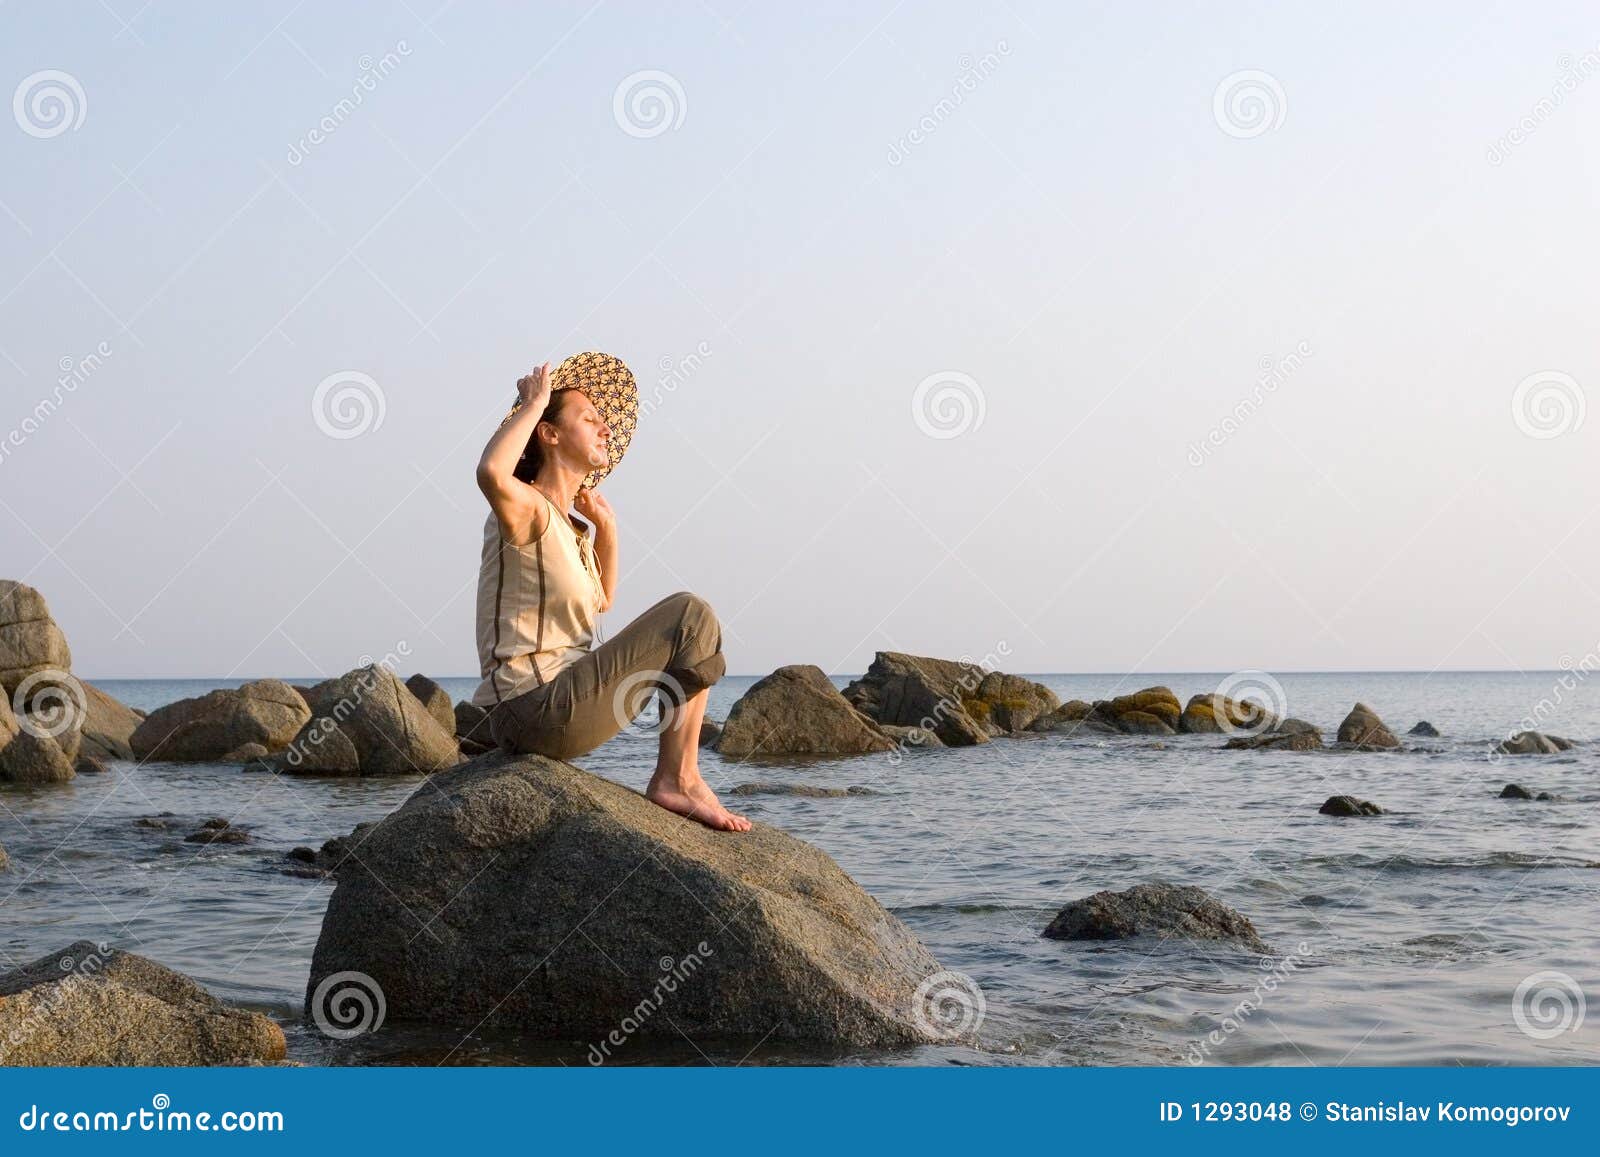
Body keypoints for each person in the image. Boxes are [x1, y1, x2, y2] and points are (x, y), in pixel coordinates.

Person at [471, 354, 750, 832]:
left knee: (694, 626)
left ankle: (681, 776)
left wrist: (607, 529)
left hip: (560, 701)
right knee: (689, 614)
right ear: (548, 433)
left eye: (603, 421)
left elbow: (601, 600)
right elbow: (490, 473)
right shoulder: (527, 507)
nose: (604, 429)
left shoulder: (571, 531)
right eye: (588, 419)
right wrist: (534, 403)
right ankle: (677, 779)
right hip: (531, 706)